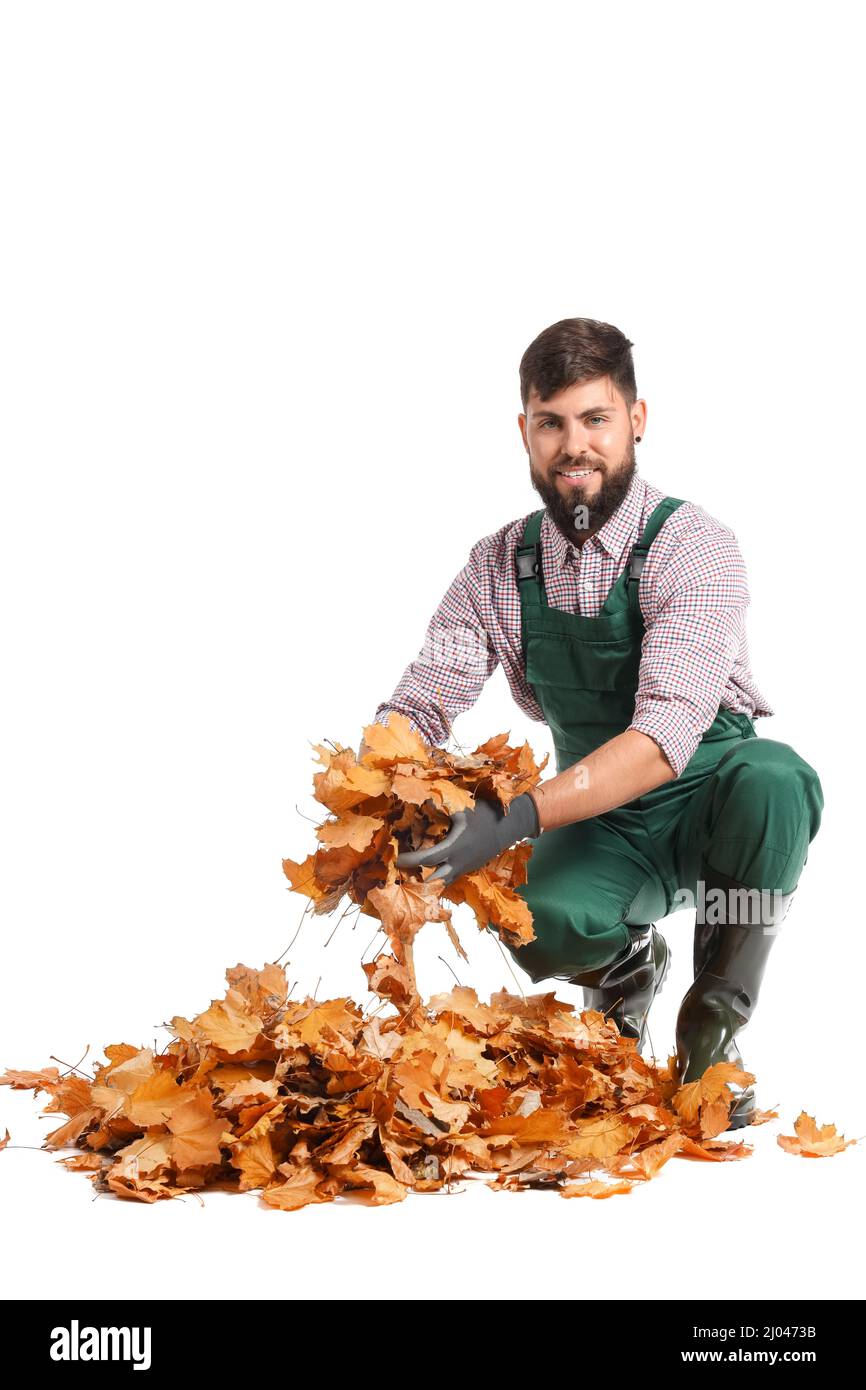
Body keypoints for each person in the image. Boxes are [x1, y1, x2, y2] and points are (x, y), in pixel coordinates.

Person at [368, 317, 824, 1129]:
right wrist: (375, 799)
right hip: (600, 819)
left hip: (706, 799)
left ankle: (712, 1034)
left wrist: (512, 818)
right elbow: (425, 693)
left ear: (636, 420)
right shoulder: (495, 566)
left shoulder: (696, 548)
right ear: (525, 433)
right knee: (536, 921)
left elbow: (661, 740)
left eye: (595, 420)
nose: (574, 446)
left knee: (777, 782)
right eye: (552, 423)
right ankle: (625, 971)